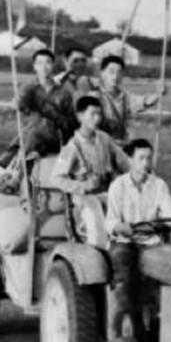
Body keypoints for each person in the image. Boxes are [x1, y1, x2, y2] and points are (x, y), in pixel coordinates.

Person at [103, 138, 171, 334]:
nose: (146, 163)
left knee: (170, 273)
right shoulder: (118, 186)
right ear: (130, 160)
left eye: (148, 158)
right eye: (141, 158)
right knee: (125, 273)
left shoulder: (158, 185)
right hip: (126, 241)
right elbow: (110, 221)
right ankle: (123, 324)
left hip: (151, 242)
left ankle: (162, 323)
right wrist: (122, 227)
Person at [50, 95, 130, 247]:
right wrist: (85, 185)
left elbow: (124, 162)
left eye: (99, 114)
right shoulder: (72, 147)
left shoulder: (105, 139)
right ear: (80, 116)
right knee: (94, 216)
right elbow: (56, 178)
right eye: (92, 114)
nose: (97, 118)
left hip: (108, 193)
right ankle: (97, 251)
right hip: (84, 199)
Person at [0, 49, 76, 169]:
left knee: (38, 127)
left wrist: (52, 116)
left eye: (48, 62)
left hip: (54, 138)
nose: (44, 67)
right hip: (31, 137)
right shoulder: (28, 88)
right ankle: (14, 166)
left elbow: (71, 123)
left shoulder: (64, 93)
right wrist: (17, 103)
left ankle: (10, 166)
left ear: (53, 65)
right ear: (34, 66)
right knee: (33, 129)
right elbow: (18, 103)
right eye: (40, 63)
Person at [95, 55, 161, 141]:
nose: (115, 77)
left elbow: (145, 102)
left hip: (119, 144)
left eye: (119, 73)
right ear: (102, 73)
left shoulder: (125, 97)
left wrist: (159, 93)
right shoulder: (94, 95)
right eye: (111, 72)